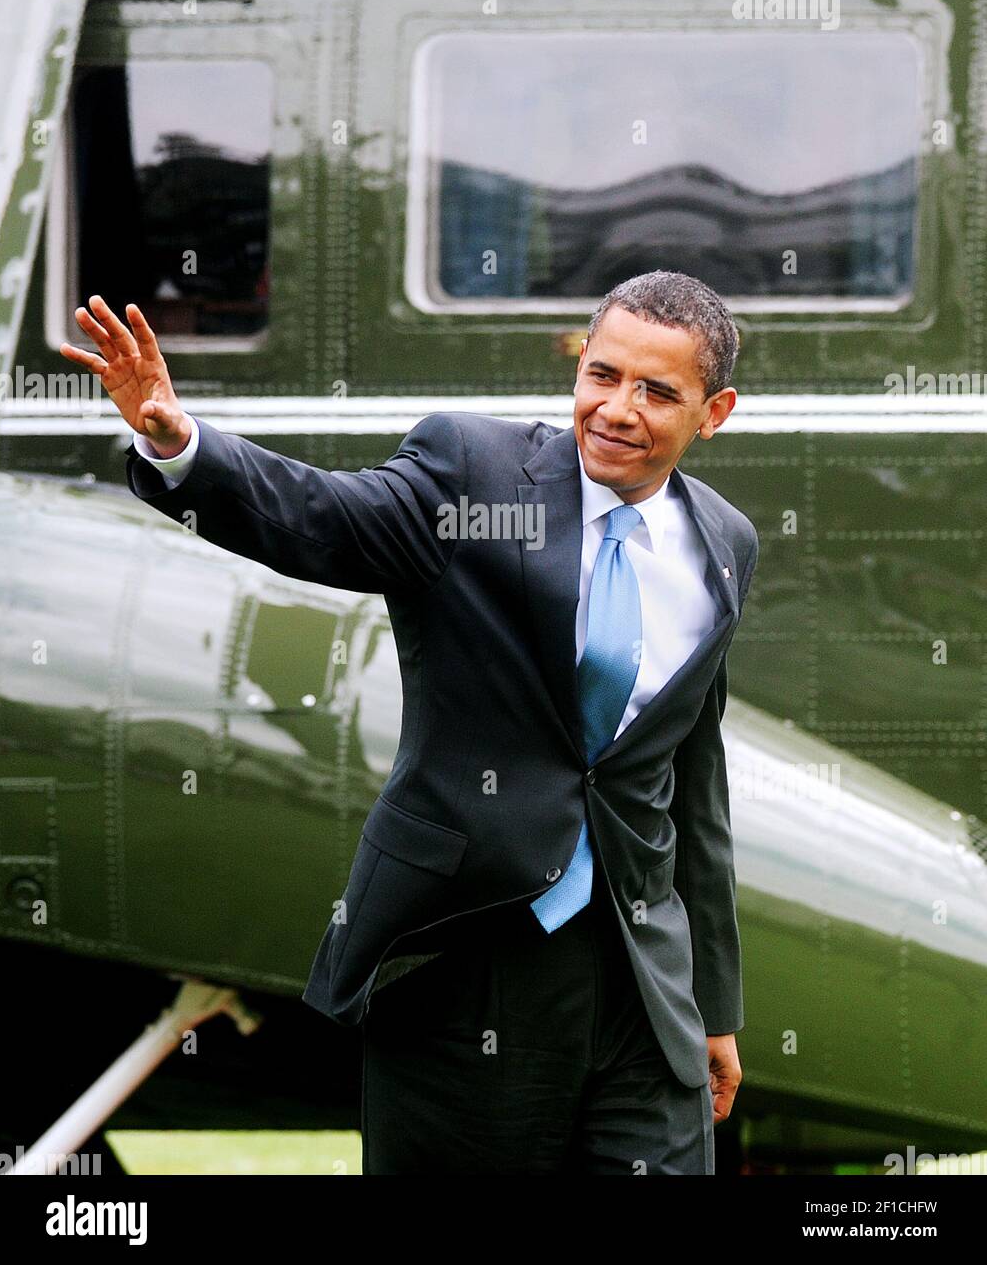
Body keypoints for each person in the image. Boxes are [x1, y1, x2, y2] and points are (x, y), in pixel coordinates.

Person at [63, 269, 759, 1175]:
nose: (616, 410)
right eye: (601, 375)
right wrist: (179, 441)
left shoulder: (723, 542)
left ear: (714, 412)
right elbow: (323, 517)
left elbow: (690, 786)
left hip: (640, 980)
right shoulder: (472, 471)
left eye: (656, 392)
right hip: (462, 960)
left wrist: (712, 1001)